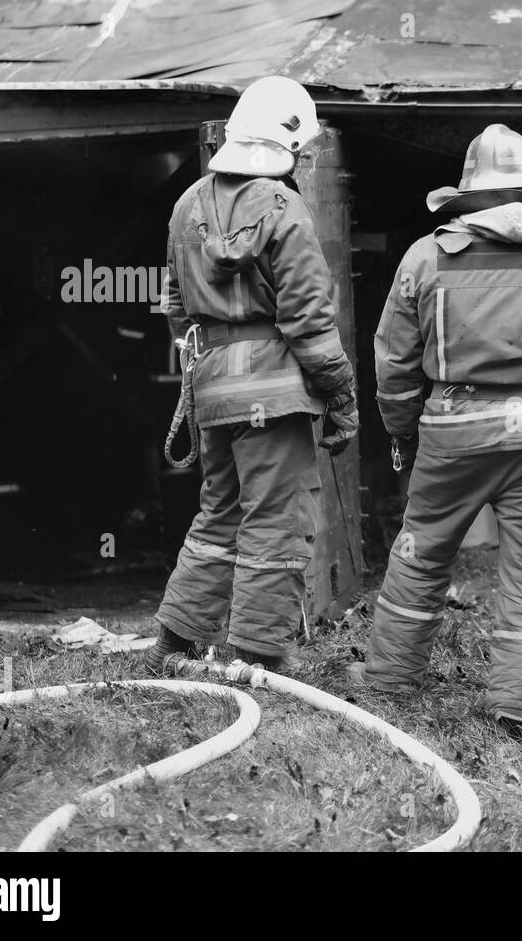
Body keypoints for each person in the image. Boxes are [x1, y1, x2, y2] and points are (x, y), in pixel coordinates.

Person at [348, 124, 522, 737]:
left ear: (467, 196)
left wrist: (403, 434)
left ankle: (390, 683)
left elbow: (393, 364)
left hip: (448, 434)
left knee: (419, 554)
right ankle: (517, 706)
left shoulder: (424, 258)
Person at [145, 76, 358, 675]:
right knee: (276, 519)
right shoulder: (286, 208)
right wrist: (341, 399)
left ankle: (176, 641)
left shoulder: (187, 204)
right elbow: (309, 321)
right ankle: (260, 656)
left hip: (212, 391)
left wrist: (210, 367)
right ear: (287, 141)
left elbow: (174, 307)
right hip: (276, 395)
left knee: (221, 513)